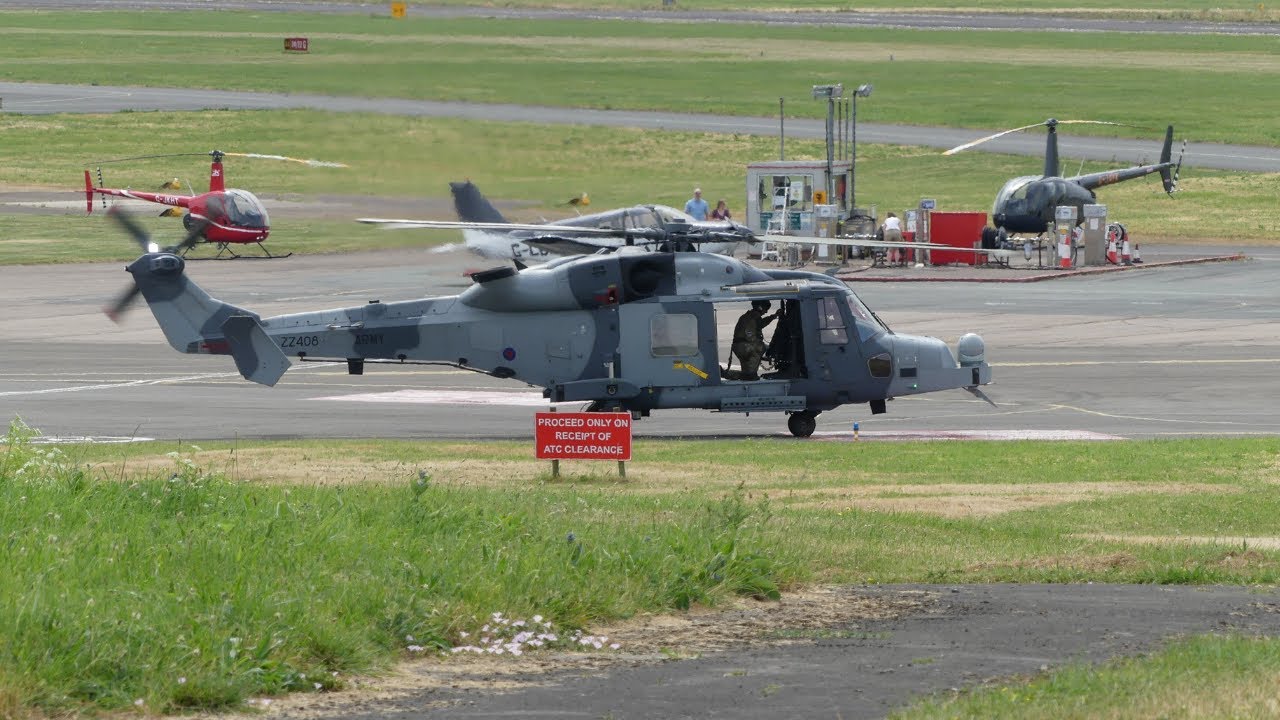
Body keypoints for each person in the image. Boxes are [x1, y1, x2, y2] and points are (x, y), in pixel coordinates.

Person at [731, 300, 778, 381]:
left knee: (746, 374)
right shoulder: (754, 316)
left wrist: (774, 316)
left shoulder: (747, 316)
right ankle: (720, 373)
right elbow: (761, 323)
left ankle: (719, 373)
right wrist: (774, 316)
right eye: (765, 309)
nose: (766, 311)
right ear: (760, 307)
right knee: (750, 376)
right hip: (746, 348)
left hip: (740, 347)